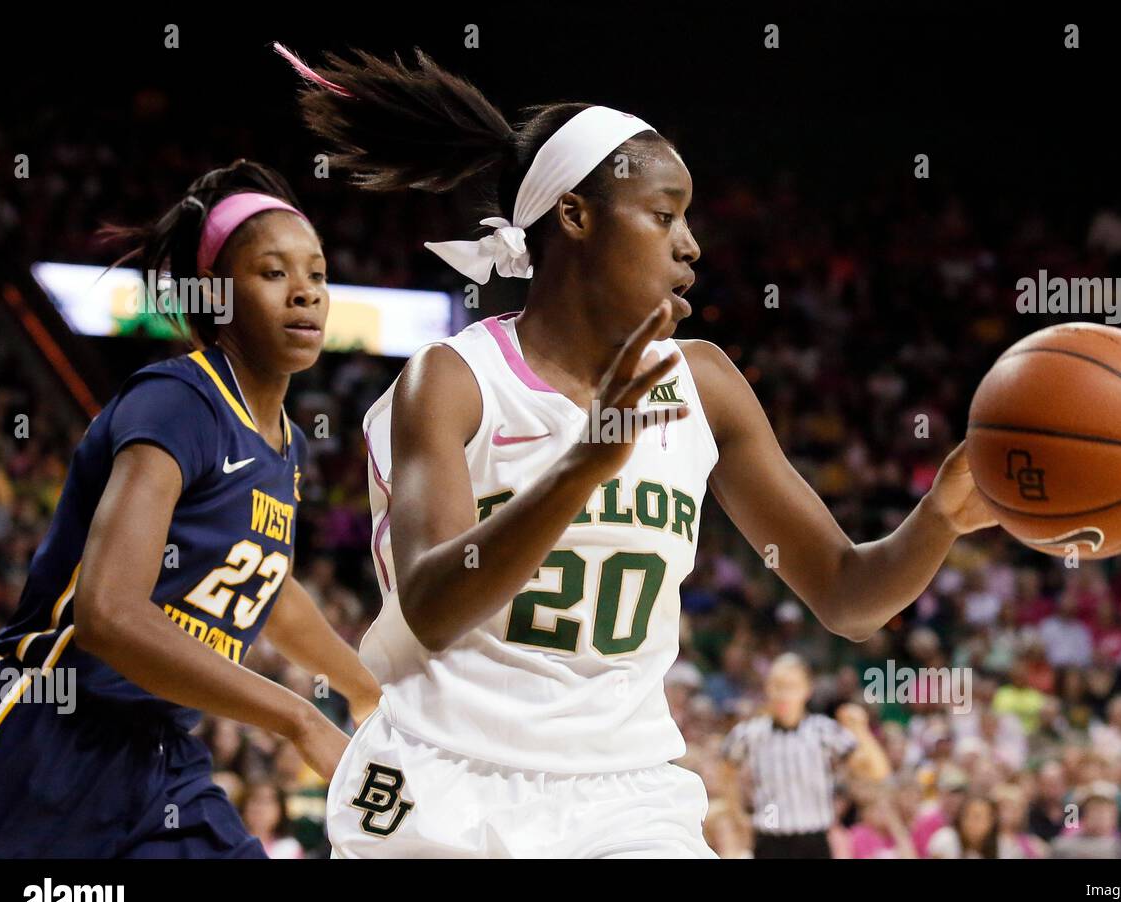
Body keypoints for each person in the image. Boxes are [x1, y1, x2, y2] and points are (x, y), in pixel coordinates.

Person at [280, 45, 995, 859]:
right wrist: (583, 464)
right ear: (576, 216)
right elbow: (432, 611)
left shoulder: (706, 385)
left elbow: (846, 596)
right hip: (442, 781)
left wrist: (938, 519)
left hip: (624, 792)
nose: (691, 245)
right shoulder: (454, 381)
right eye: (665, 215)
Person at [0, 161, 380, 857]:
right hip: (44, 737)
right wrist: (299, 718)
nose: (305, 294)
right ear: (218, 296)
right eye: (273, 274)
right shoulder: (178, 401)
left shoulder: (283, 446)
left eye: (315, 274)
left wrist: (367, 690)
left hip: (161, 759)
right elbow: (108, 616)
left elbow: (265, 592)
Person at [721, 654, 889, 858]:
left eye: (791, 686)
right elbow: (726, 772)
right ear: (767, 688)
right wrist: (737, 815)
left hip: (814, 840)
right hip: (769, 840)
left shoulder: (823, 730)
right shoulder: (749, 733)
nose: (783, 694)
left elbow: (877, 771)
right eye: (777, 685)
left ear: (807, 689)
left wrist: (861, 730)